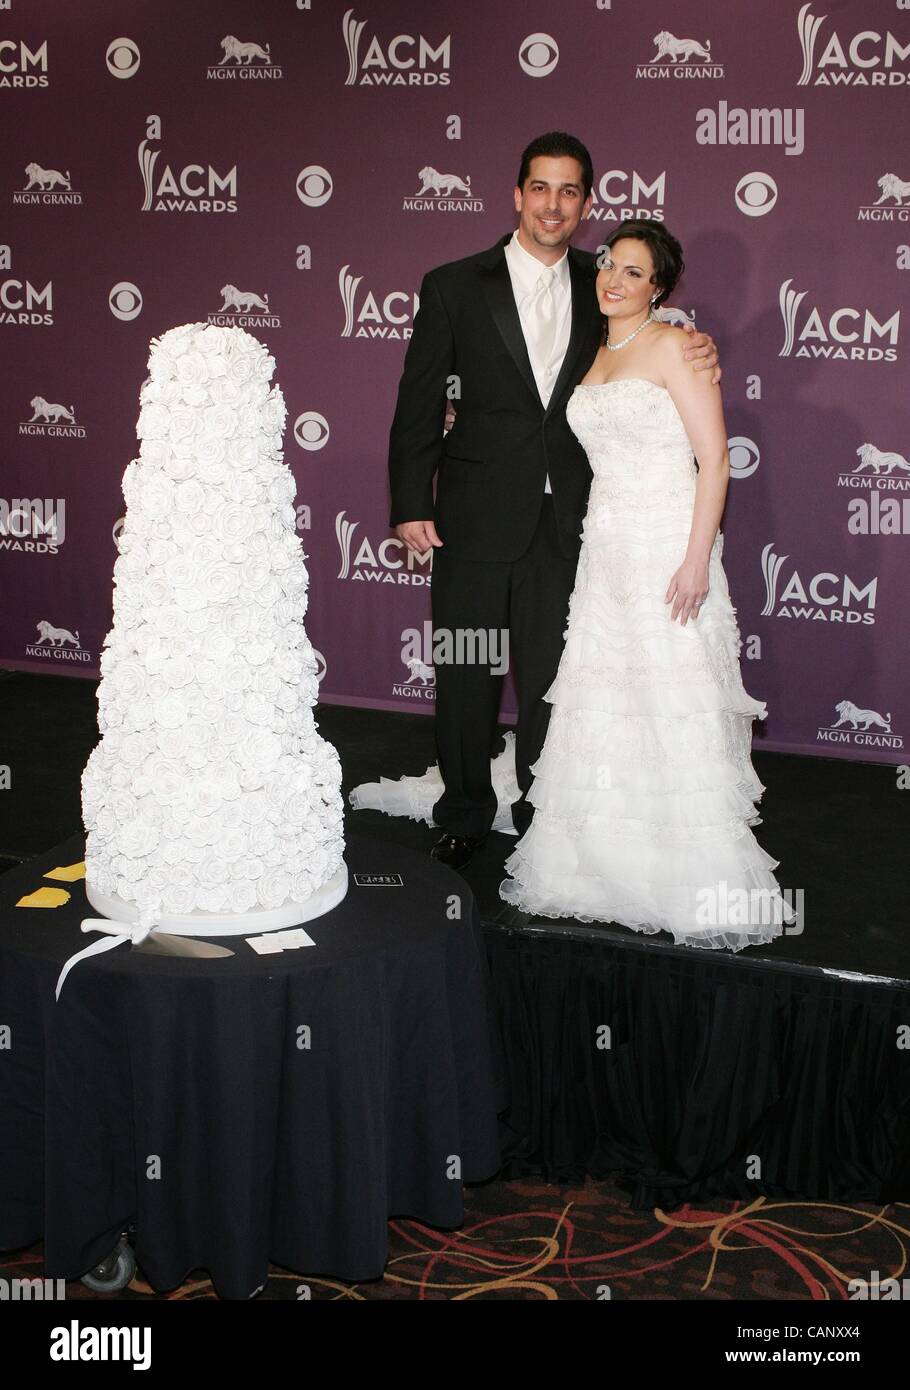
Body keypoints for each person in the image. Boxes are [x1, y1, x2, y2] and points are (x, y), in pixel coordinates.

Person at [387, 133, 718, 870]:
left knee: (549, 680)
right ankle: (466, 810)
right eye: (541, 188)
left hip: (568, 524)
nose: (553, 205)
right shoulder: (452, 285)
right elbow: (418, 401)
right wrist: (413, 501)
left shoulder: (599, 283)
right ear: (517, 194)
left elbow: (647, 344)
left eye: (570, 192)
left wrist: (696, 344)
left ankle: (546, 813)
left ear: (586, 204)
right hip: (471, 520)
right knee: (465, 672)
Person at [499, 220, 792, 950]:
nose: (614, 280)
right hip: (606, 554)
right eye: (609, 266)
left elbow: (715, 461)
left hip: (667, 547)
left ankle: (684, 872)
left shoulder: (675, 346)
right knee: (608, 699)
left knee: (670, 700)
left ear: (658, 287)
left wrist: (696, 561)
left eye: (634, 272)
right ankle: (594, 864)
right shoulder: (594, 353)